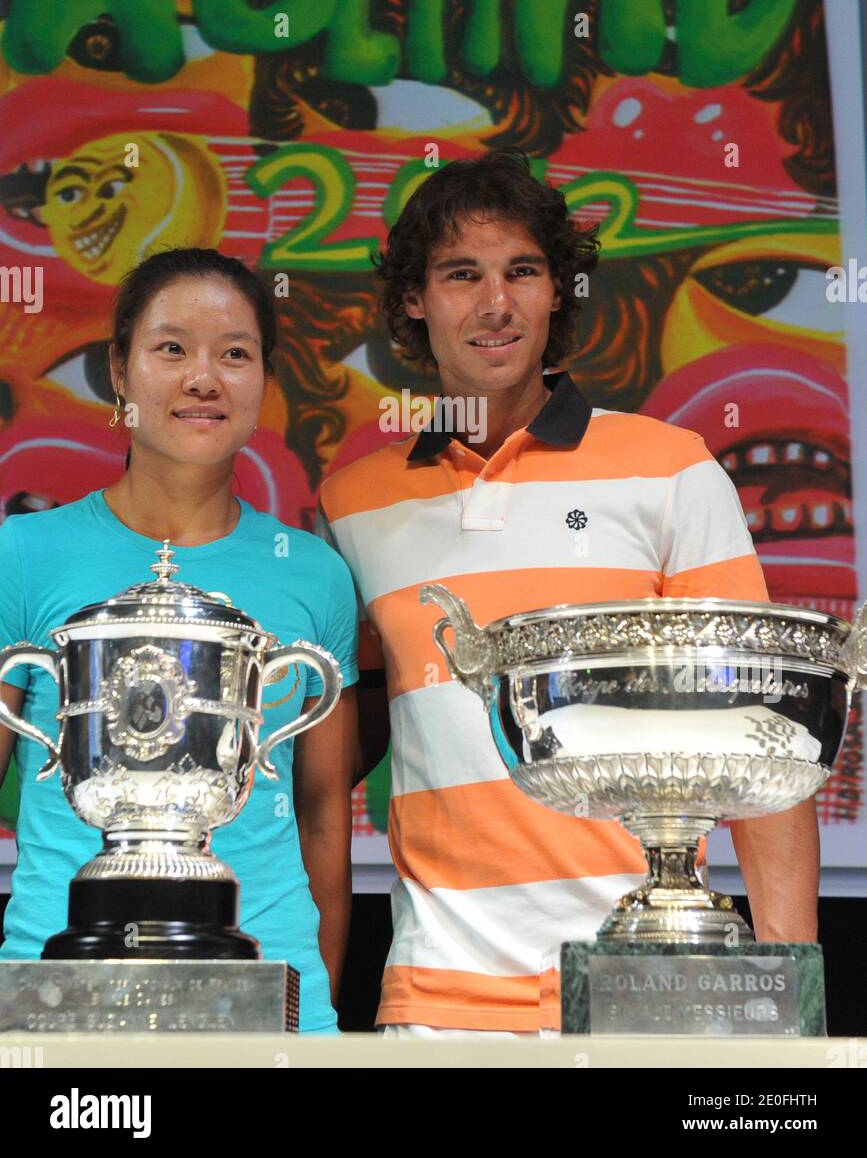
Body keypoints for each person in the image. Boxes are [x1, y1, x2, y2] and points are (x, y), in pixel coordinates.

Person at [317, 149, 819, 1037]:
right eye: (460, 274)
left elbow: (764, 739)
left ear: (558, 292)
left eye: (522, 271)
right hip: (437, 1001)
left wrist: (793, 1006)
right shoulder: (352, 503)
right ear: (411, 299)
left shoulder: (671, 468)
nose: (495, 303)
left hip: (649, 981)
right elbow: (327, 752)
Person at [0, 247, 358, 1034]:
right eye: (171, 349)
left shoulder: (315, 575)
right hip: (54, 992)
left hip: (269, 991)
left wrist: (309, 1002)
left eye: (235, 354)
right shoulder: (23, 555)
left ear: (264, 382)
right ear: (119, 374)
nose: (204, 378)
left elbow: (324, 819)